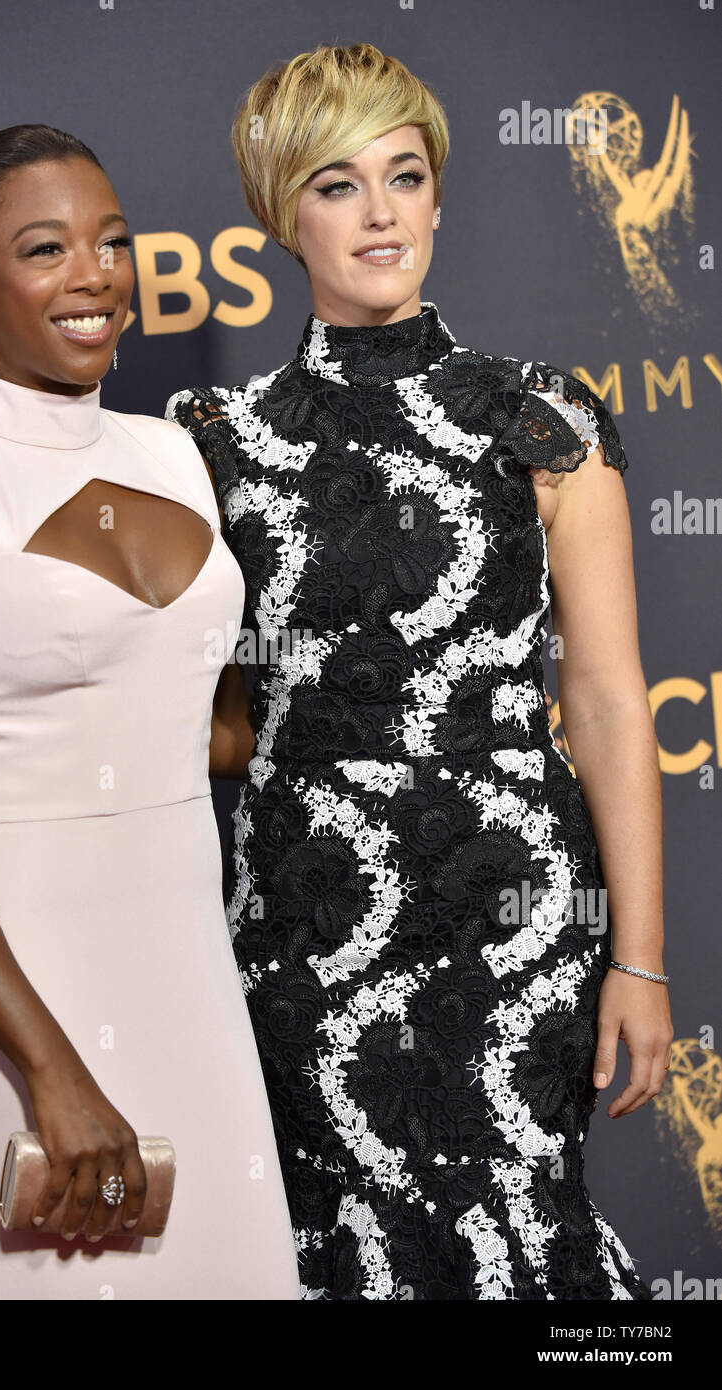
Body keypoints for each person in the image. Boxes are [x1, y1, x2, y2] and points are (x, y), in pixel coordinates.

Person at [165, 43, 672, 1300]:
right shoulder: (210, 446)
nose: (380, 212)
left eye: (403, 175)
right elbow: (211, 722)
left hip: (510, 911)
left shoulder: (540, 417)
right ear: (282, 216)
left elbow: (607, 703)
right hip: (307, 912)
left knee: (516, 1229)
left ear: (439, 194)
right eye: (336, 185)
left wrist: (640, 959)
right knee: (335, 1233)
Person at [0, 124, 300, 1300]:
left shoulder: (177, 455)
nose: (93, 275)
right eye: (45, 249)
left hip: (191, 973)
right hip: (11, 1000)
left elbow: (211, 729)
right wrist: (52, 1072)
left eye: (111, 242)